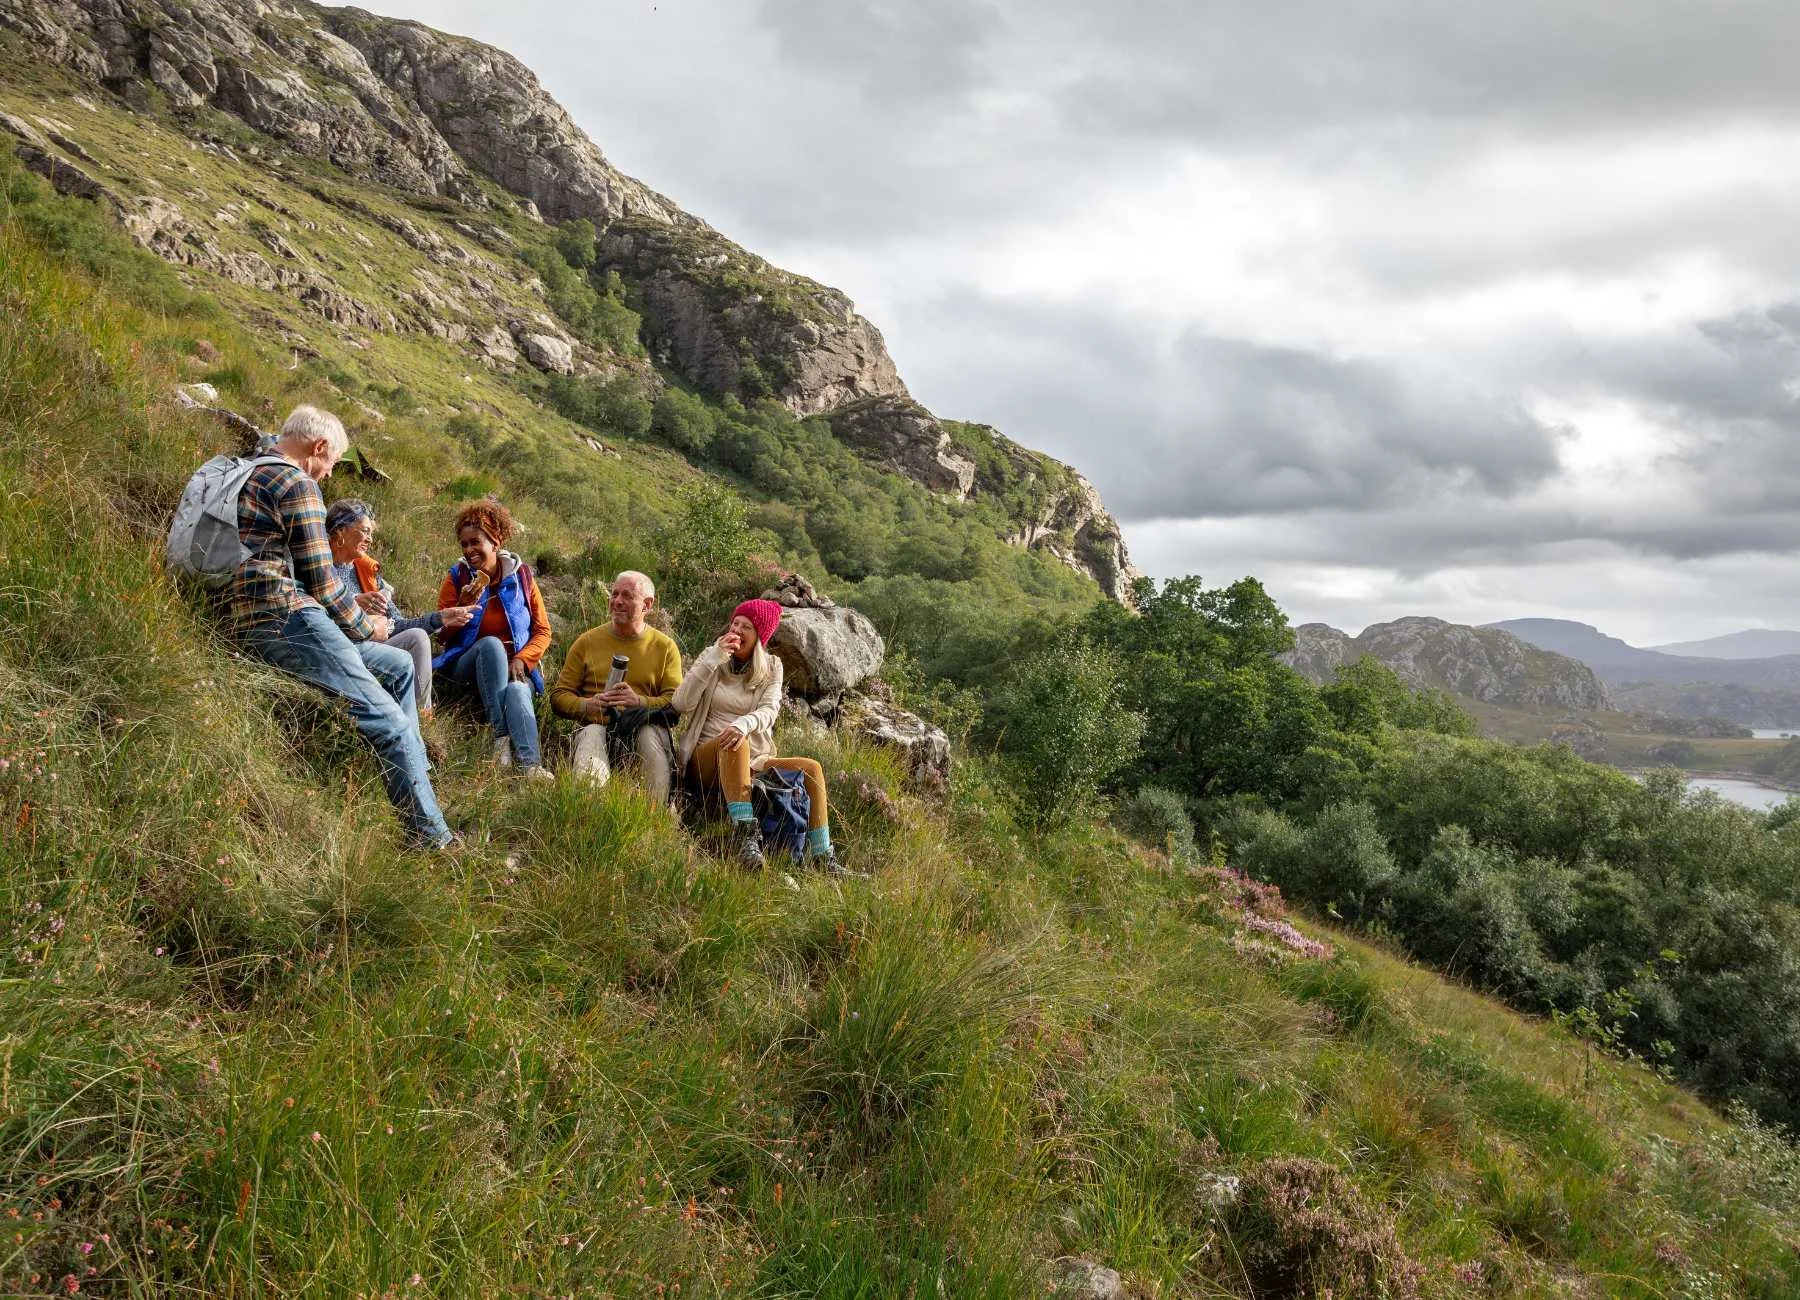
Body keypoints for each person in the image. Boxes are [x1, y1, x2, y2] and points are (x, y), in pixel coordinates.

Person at [218, 405, 455, 847]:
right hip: (284, 616)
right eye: (330, 463)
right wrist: (370, 627)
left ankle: (419, 780)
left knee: (399, 668)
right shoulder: (296, 482)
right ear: (320, 447)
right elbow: (323, 585)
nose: (327, 474)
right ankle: (433, 839)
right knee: (390, 721)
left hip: (244, 616)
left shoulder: (247, 469)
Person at [672, 598, 841, 871]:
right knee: (734, 742)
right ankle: (746, 838)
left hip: (752, 758)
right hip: (704, 760)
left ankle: (823, 857)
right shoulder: (711, 656)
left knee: (811, 769)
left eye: (746, 627)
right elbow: (681, 703)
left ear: (759, 636)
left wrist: (744, 724)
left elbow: (770, 710)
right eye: (735, 623)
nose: (737, 630)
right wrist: (714, 659)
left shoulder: (772, 666)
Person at [433, 498, 554, 781]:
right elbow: (442, 636)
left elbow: (543, 630)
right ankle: (500, 740)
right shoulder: (457, 578)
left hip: (515, 666)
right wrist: (460, 610)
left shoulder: (522, 577)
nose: (469, 550)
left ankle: (530, 767)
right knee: (490, 645)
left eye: (476, 542)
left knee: (518, 691)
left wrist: (524, 658)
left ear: (495, 542)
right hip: (468, 665)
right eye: (464, 544)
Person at [324, 499, 476, 720]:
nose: (370, 539)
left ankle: (423, 716)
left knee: (417, 636)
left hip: (375, 647)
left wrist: (440, 618)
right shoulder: (321, 568)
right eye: (364, 531)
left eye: (371, 533)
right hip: (343, 650)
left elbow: (399, 625)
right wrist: (354, 604)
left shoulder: (367, 572)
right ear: (340, 532)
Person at [550, 571, 684, 803]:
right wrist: (587, 705)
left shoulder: (665, 648)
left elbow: (675, 702)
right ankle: (590, 809)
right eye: (614, 594)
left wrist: (639, 702)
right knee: (592, 733)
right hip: (596, 724)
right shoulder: (587, 641)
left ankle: (653, 815)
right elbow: (559, 697)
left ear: (647, 605)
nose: (617, 601)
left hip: (642, 726)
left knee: (649, 736)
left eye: (627, 595)